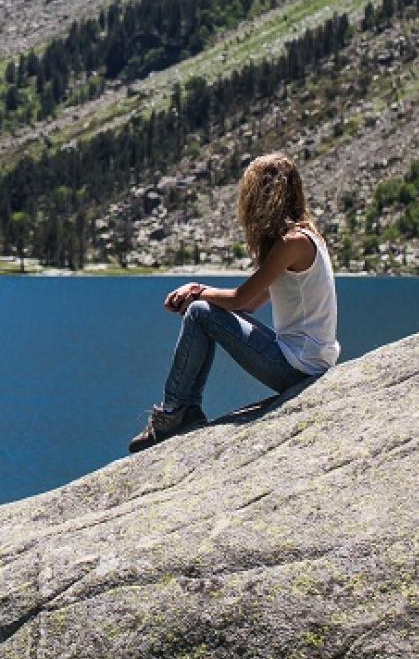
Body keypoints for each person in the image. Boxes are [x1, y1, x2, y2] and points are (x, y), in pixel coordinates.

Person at [129, 152, 340, 453]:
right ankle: (182, 410)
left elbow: (241, 298)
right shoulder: (308, 237)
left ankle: (175, 412)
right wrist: (201, 292)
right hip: (313, 360)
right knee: (204, 311)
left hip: (300, 367)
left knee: (200, 312)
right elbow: (251, 304)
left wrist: (197, 292)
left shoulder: (291, 243)